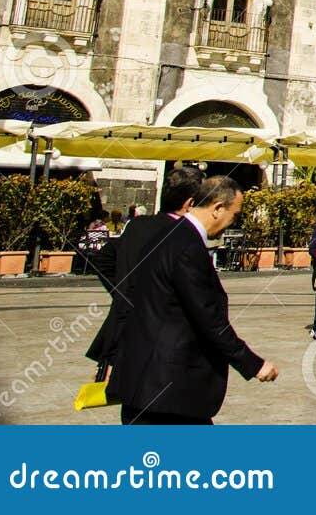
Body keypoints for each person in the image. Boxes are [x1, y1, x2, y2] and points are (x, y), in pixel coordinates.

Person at [108, 176, 279, 423]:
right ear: (218, 208)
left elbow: (127, 302)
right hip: (169, 391)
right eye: (235, 215)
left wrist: (112, 357)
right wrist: (253, 364)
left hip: (144, 384)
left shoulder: (163, 237)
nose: (233, 223)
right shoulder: (188, 247)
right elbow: (208, 318)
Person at [86, 165, 206, 382]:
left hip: (122, 333)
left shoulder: (137, 225)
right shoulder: (182, 234)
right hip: (160, 342)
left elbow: (103, 259)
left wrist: (121, 291)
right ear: (190, 203)